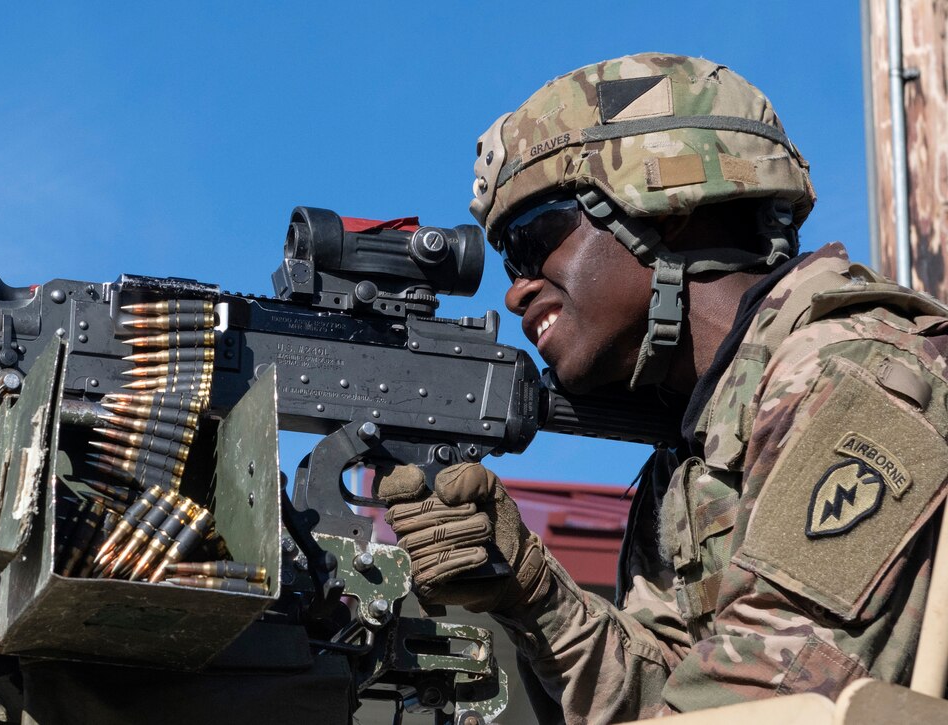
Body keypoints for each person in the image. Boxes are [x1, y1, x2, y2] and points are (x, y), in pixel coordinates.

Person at [375, 52, 948, 723]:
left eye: (536, 237)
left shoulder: (856, 369)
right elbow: (671, 697)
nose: (516, 285)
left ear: (665, 205)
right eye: (507, 258)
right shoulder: (691, 456)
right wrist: (529, 592)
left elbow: (772, 700)